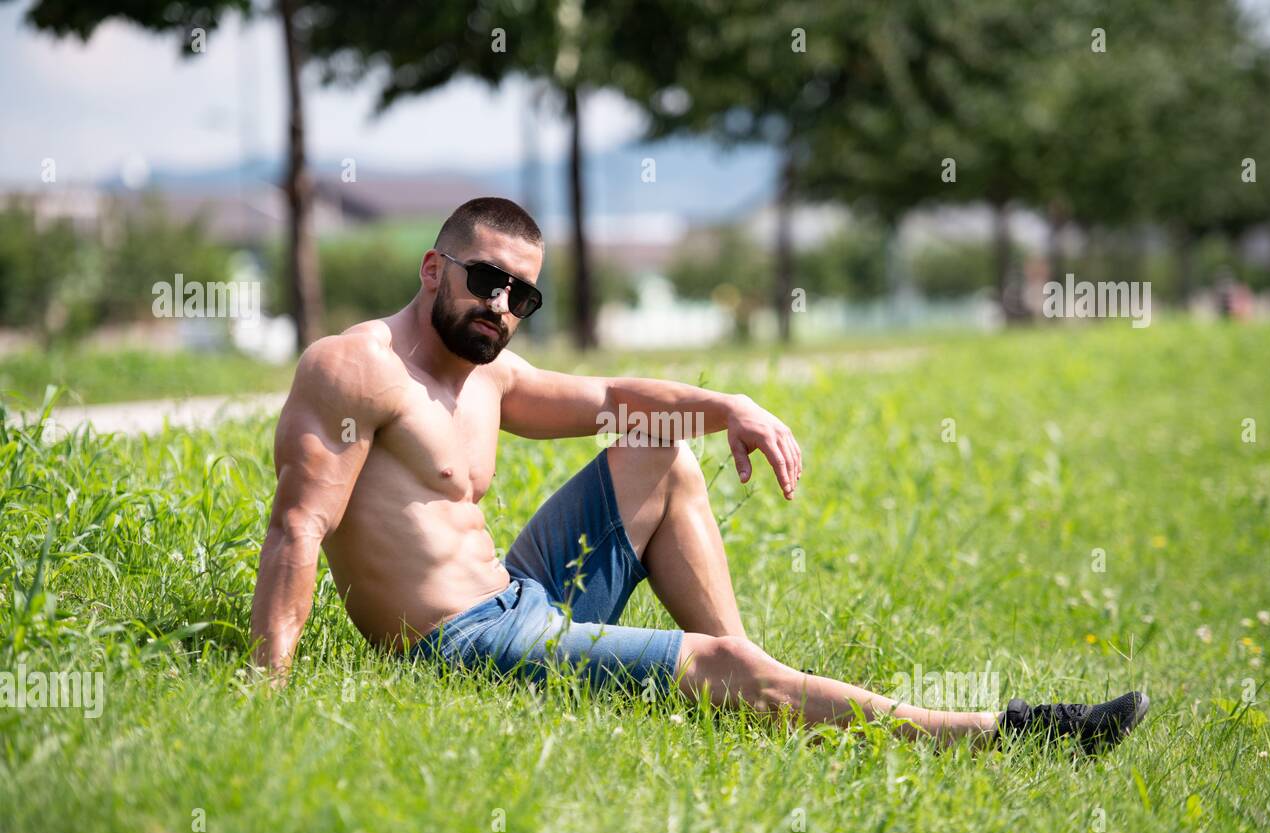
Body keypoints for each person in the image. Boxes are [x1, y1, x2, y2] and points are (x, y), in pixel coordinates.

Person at [249, 197, 1149, 755]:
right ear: (433, 267)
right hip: (457, 646)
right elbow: (299, 527)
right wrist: (269, 692)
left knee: (661, 447)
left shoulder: (488, 375)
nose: (501, 306)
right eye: (486, 280)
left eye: (522, 295)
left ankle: (760, 687)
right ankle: (1004, 735)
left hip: (520, 597)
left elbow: (612, 399)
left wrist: (728, 406)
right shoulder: (356, 368)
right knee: (717, 663)